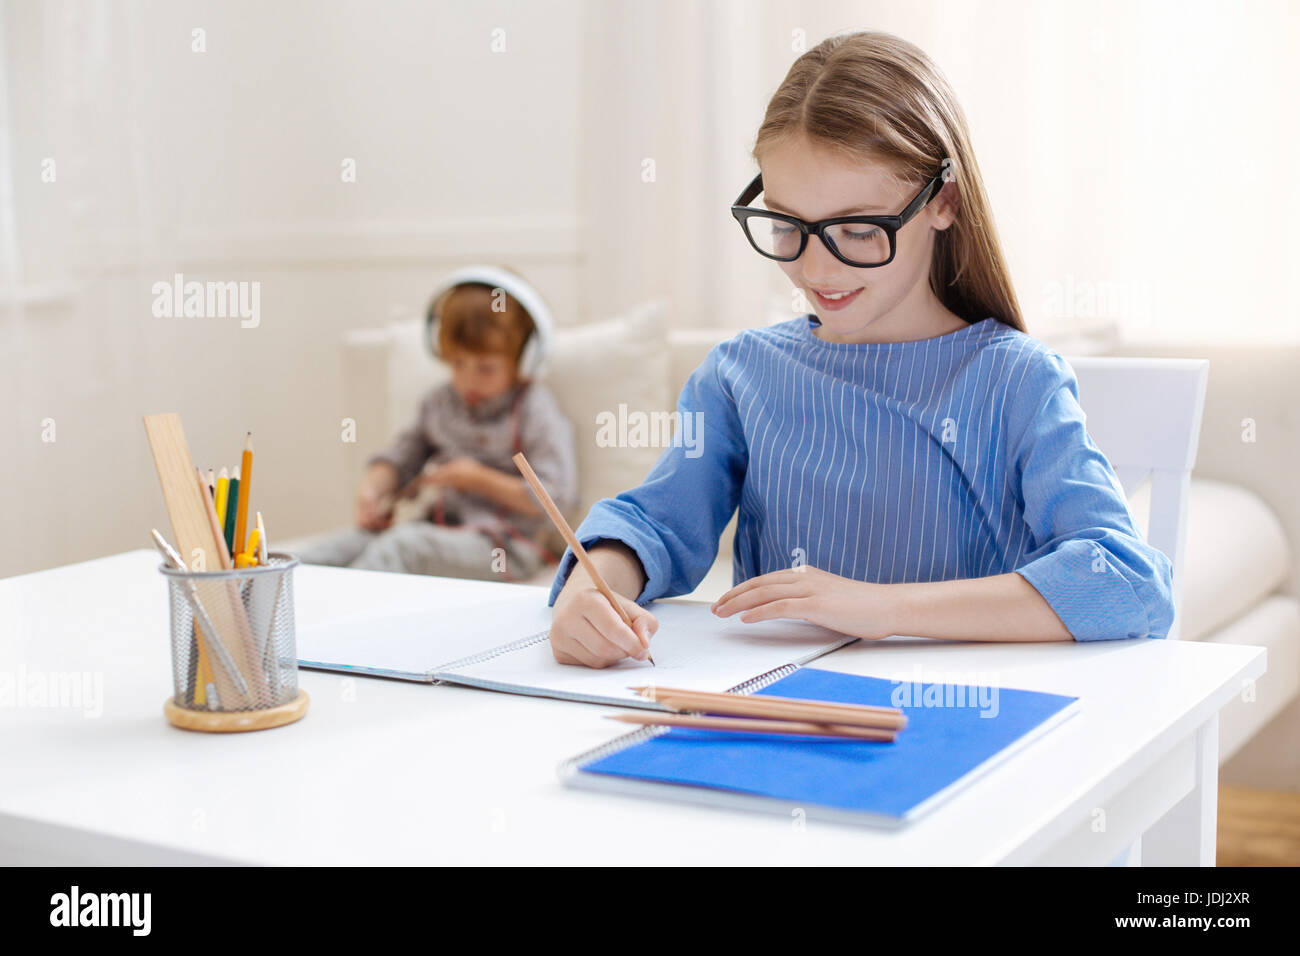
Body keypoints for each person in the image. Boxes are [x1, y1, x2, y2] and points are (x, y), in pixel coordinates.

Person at [546, 30, 1175, 668]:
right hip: (776, 709)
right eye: (788, 224)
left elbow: (1124, 581)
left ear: (944, 201)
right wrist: (589, 592)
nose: (816, 268)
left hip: (963, 721)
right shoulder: (742, 374)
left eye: (858, 228)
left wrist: (879, 608)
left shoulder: (1015, 380)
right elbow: (655, 524)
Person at [293, 265, 578, 583]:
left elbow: (557, 498)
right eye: (458, 363)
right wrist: (374, 487)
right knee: (334, 549)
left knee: (404, 546)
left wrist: (477, 478)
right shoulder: (439, 402)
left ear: (524, 359)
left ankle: (337, 622)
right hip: (437, 530)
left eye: (486, 368)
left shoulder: (534, 409)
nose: (469, 379)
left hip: (505, 547)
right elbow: (401, 458)